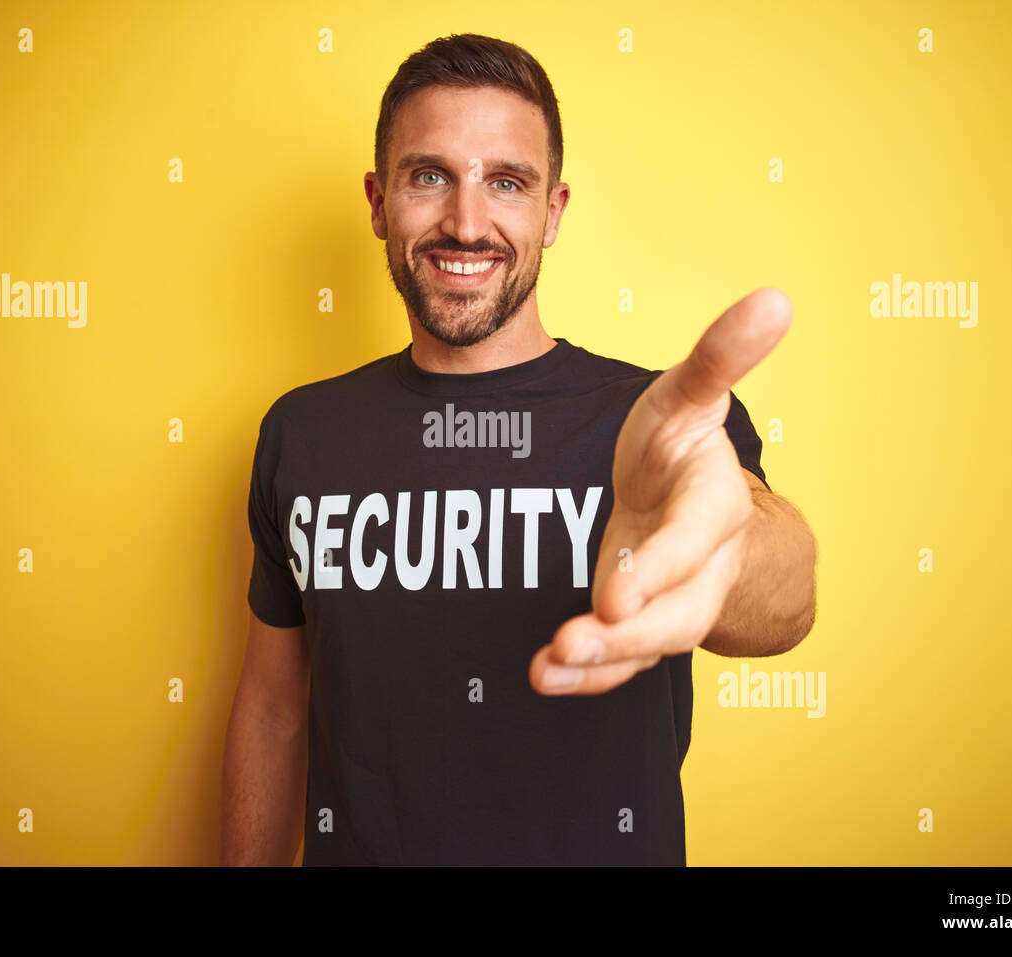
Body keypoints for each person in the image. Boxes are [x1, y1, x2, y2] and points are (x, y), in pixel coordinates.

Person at [222, 33, 817, 866]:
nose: (467, 223)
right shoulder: (301, 430)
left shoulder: (656, 423)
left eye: (506, 182)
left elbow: (786, 599)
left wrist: (715, 554)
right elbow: (273, 705)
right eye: (429, 175)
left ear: (554, 210)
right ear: (377, 200)